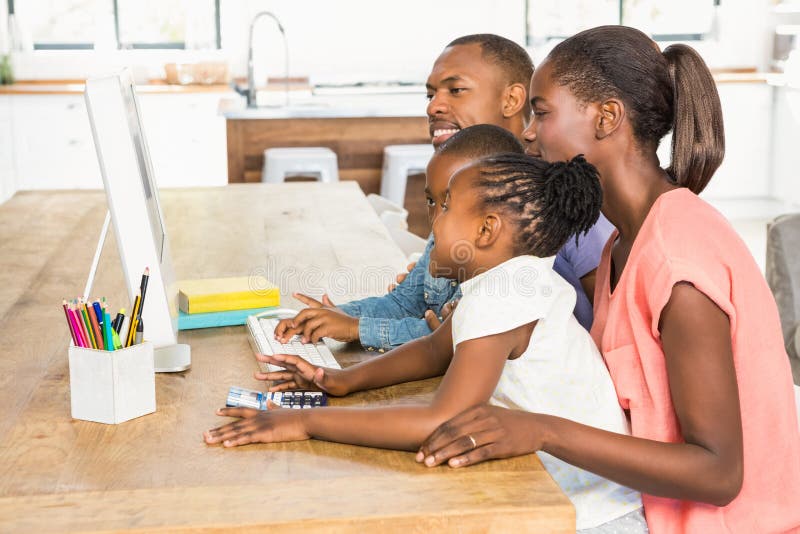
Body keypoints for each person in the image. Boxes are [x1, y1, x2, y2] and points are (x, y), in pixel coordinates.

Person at [416, 26, 800, 533]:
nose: (528, 132)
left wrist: (541, 431)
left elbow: (719, 473)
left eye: (543, 111)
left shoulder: (678, 257)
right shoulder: (623, 240)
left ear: (607, 117)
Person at [206, 143, 645, 532]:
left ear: (486, 230)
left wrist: (304, 422)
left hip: (589, 515)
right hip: (566, 498)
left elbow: (440, 420)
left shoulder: (505, 295)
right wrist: (338, 381)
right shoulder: (512, 279)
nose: (433, 221)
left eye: (446, 207)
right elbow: (437, 350)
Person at [276, 34, 612, 354]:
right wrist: (338, 318)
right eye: (430, 95)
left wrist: (357, 327)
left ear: (511, 100)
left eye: (456, 90)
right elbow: (415, 307)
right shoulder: (460, 197)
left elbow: (601, 325)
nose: (434, 106)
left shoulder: (554, 197)